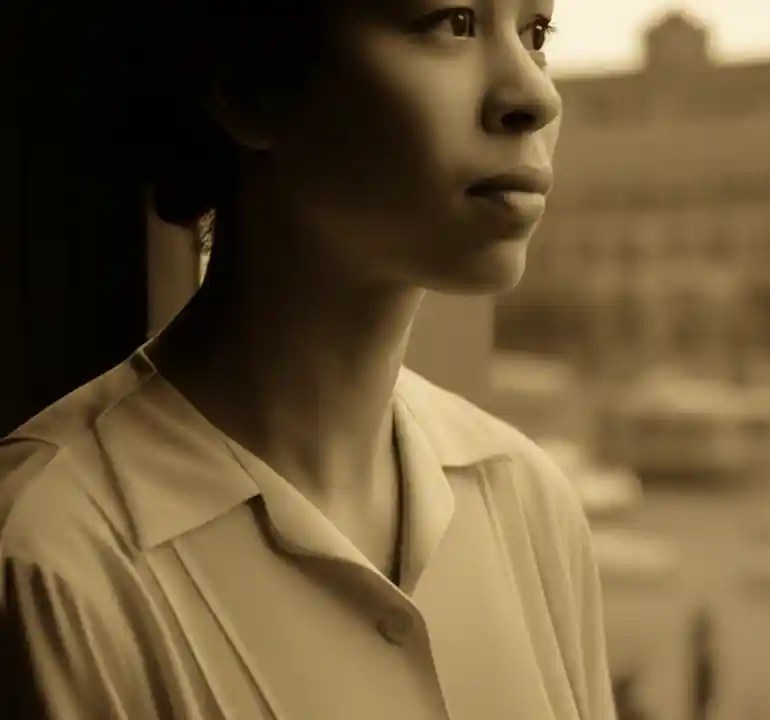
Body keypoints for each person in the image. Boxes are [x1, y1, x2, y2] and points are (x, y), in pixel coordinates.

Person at [0, 1, 617, 718]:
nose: (535, 97)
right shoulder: (49, 558)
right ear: (247, 87)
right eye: (452, 22)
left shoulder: (529, 503)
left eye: (536, 34)